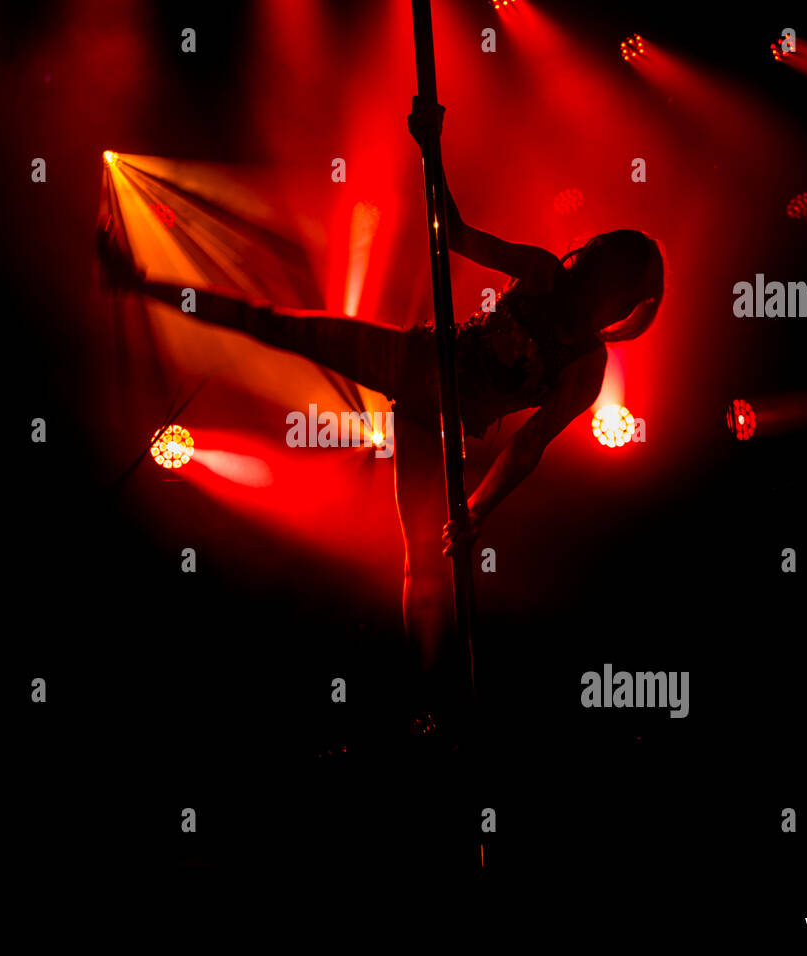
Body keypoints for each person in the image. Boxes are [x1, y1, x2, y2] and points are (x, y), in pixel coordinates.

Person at [100, 97, 664, 724]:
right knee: (278, 327)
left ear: (617, 297)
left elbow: (528, 445)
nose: (590, 269)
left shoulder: (585, 368)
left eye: (608, 271)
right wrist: (430, 145)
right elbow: (454, 234)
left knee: (422, 562)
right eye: (596, 258)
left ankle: (431, 708)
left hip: (438, 424)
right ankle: (141, 282)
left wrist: (477, 510)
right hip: (412, 358)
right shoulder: (542, 272)